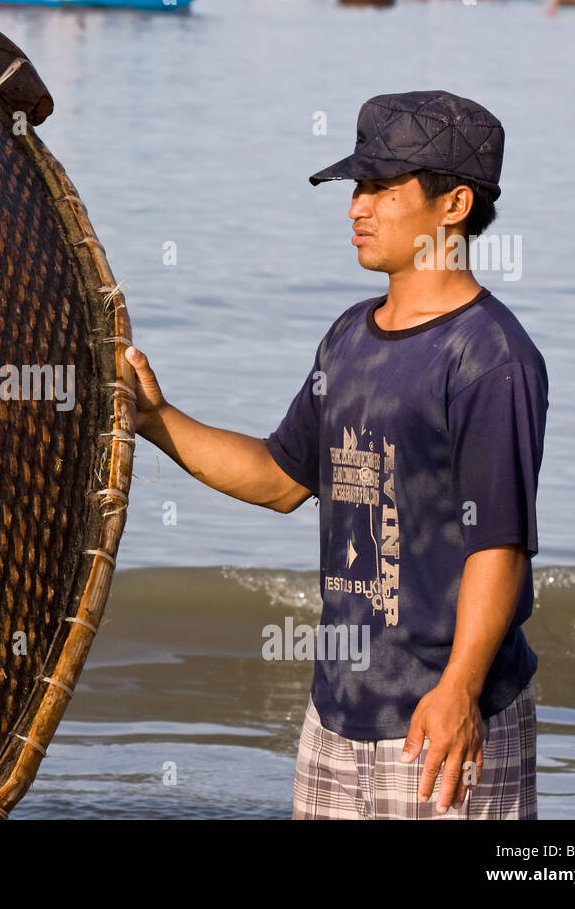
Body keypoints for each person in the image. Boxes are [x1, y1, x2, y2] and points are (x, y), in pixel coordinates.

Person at [125, 90, 546, 820]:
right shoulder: (349, 336)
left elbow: (499, 546)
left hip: (439, 718)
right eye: (357, 186)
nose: (358, 206)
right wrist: (154, 419)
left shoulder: (489, 358)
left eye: (381, 186)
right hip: (336, 711)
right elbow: (281, 479)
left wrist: (459, 692)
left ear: (454, 205)